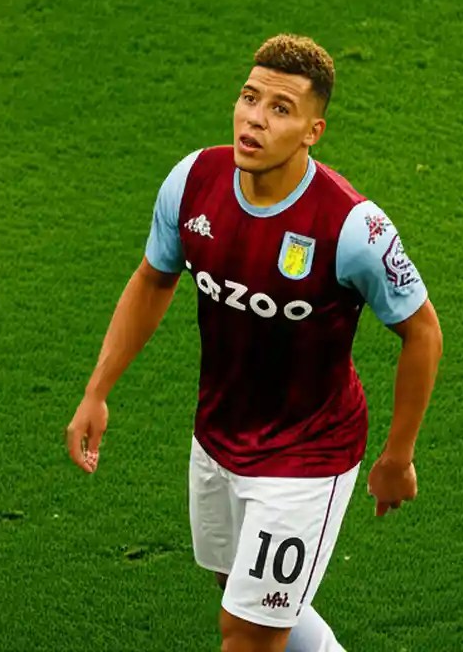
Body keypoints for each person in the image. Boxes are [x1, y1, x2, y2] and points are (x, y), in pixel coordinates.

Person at [66, 34, 443, 652]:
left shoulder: (352, 227)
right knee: (239, 591)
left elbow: (422, 331)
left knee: (246, 633)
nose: (254, 119)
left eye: (280, 109)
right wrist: (97, 391)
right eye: (249, 98)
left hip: (309, 455)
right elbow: (153, 278)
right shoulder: (193, 181)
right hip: (217, 438)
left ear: (312, 130)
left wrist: (397, 457)